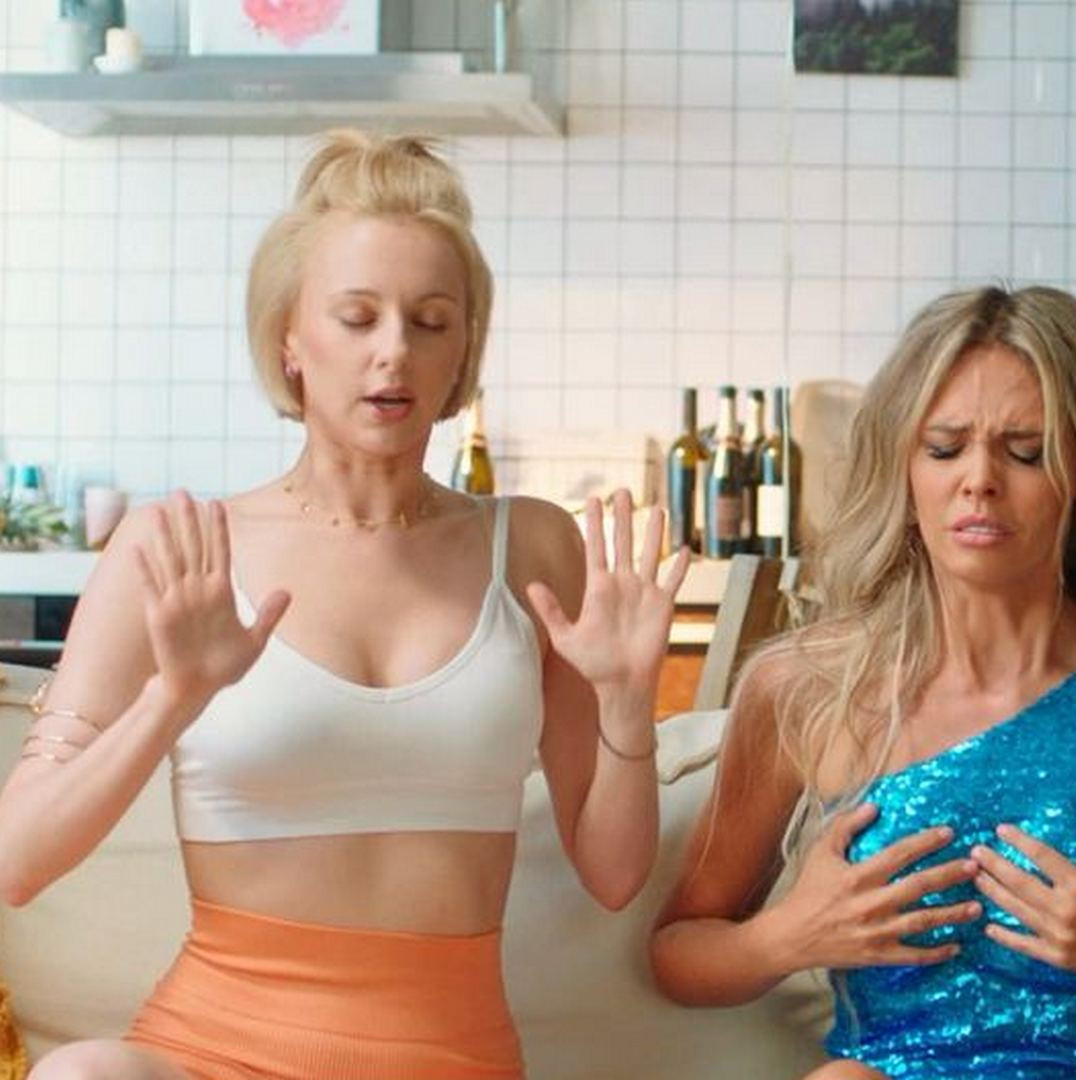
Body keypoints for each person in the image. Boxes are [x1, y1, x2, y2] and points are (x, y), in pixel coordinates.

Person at [0, 130, 686, 1079]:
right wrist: (172, 701)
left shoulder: (530, 548)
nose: (393, 352)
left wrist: (625, 705)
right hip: (208, 1057)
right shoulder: (177, 547)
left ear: (464, 351)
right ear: (289, 338)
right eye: (357, 318)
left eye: (431, 321)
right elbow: (17, 861)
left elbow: (613, 876)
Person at [650, 286, 1076, 1078]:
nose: (979, 480)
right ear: (904, 470)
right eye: (944, 449)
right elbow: (679, 953)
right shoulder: (807, 689)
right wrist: (789, 935)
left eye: (1026, 452)